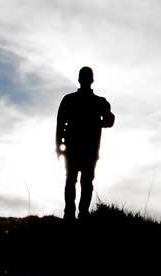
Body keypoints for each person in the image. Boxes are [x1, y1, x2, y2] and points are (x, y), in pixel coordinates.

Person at [56, 66, 115, 220]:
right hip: (79, 148)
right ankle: (73, 213)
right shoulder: (77, 100)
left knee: (81, 180)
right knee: (76, 180)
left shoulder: (97, 102)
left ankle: (79, 213)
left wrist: (59, 145)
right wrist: (58, 145)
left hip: (86, 148)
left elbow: (110, 120)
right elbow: (60, 123)